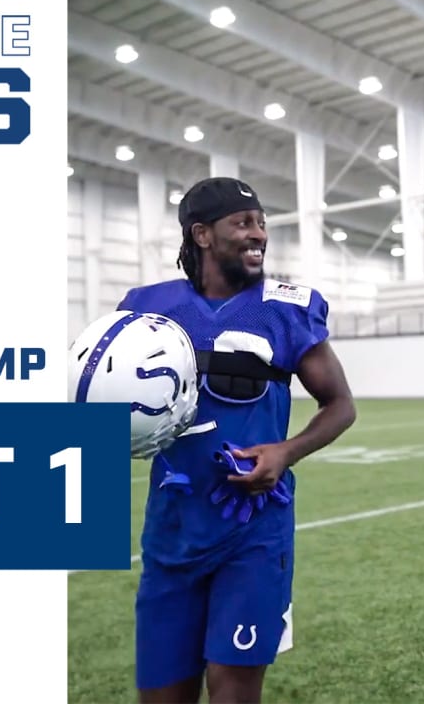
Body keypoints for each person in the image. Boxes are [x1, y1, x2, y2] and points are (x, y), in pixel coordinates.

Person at [118, 176, 356, 703]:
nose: (259, 234)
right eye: (243, 223)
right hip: (172, 530)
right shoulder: (146, 307)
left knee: (233, 690)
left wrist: (285, 451)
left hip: (253, 529)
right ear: (201, 235)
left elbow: (340, 405)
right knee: (161, 694)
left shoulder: (286, 307)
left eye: (262, 223)